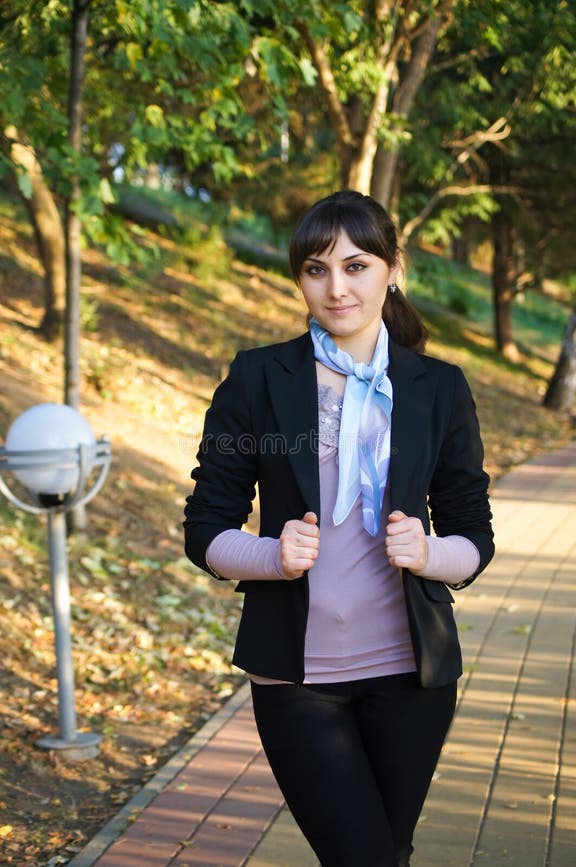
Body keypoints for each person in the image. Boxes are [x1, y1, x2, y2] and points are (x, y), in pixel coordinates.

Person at [183, 190, 494, 867]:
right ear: (299, 278)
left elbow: (474, 533)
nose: (337, 287)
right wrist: (272, 555)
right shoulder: (259, 377)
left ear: (391, 266)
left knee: (392, 850)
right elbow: (205, 525)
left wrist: (430, 550)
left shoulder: (438, 387)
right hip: (298, 679)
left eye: (356, 265)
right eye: (316, 269)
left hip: (415, 674)